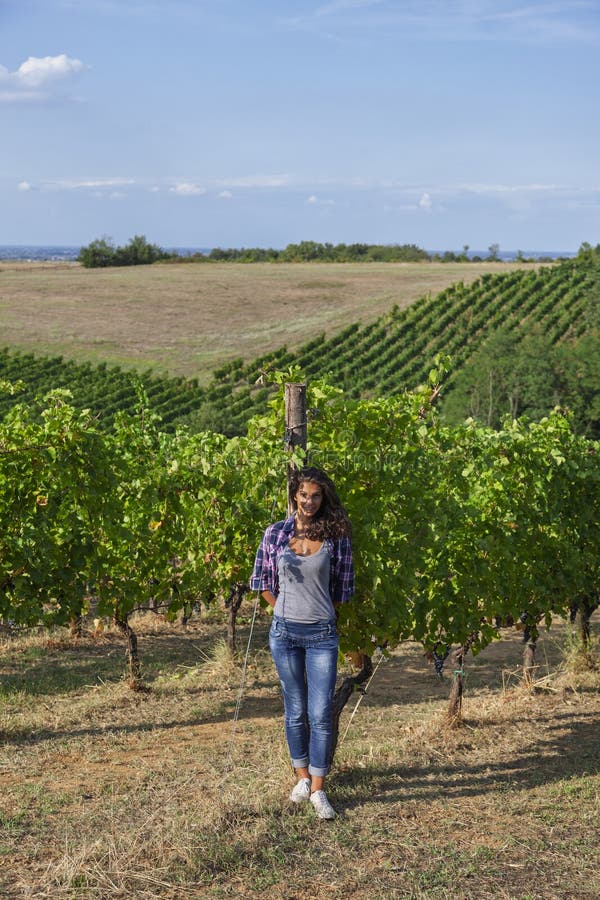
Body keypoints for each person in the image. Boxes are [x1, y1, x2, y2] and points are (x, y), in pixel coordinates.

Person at [250, 466, 354, 819]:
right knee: (294, 711)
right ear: (295, 495)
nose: (309, 501)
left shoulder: (336, 535)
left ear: (324, 499)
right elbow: (261, 581)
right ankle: (302, 778)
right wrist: (282, 609)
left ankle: (320, 791)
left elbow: (342, 586)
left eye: (316, 496)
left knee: (320, 713)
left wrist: (320, 612)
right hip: (284, 634)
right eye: (304, 495)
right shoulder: (275, 534)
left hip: (322, 635)